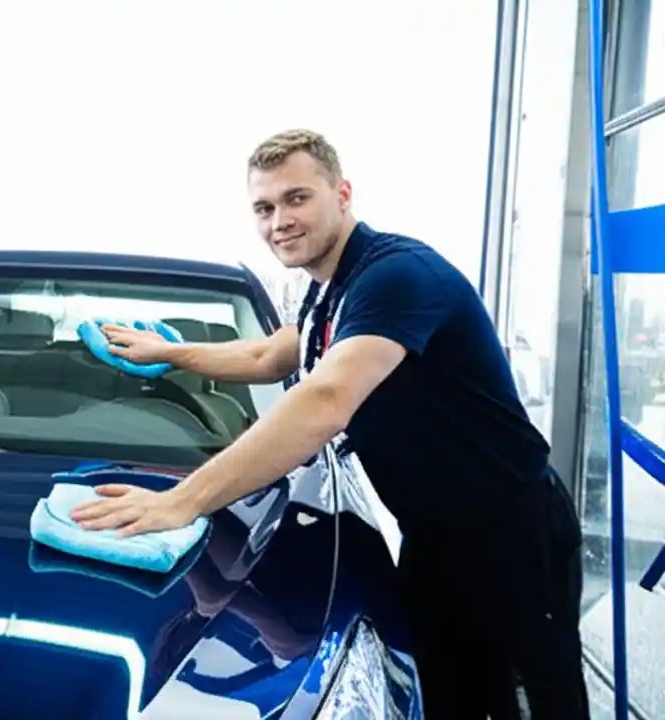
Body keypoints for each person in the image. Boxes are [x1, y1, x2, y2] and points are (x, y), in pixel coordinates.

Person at [71, 129, 589, 719]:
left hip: (510, 532)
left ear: (341, 194)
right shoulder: (329, 292)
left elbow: (324, 399)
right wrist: (173, 353)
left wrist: (181, 502)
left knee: (542, 703)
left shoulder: (396, 276)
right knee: (453, 696)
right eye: (264, 208)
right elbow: (270, 357)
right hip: (435, 536)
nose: (278, 221)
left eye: (297, 199)